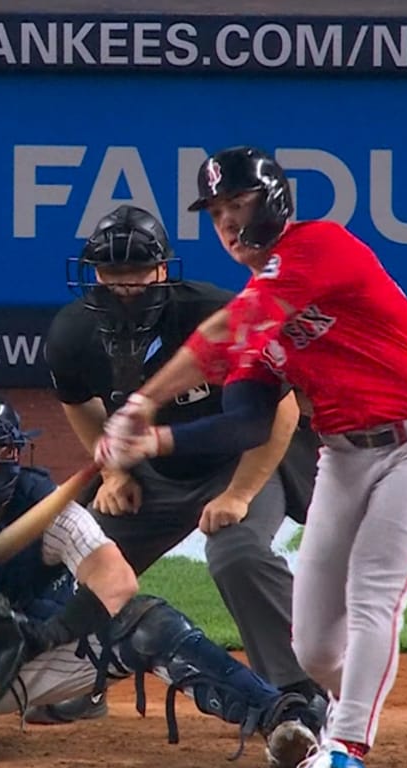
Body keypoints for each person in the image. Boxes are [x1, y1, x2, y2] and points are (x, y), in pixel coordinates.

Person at [97, 146, 407, 768]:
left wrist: (142, 402)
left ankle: (347, 762)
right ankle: (343, 722)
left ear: (271, 200)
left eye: (236, 205)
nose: (227, 224)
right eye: (215, 214)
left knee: (374, 593)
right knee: (317, 646)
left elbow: (226, 329)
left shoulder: (318, 247)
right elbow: (243, 419)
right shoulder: (263, 310)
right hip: (343, 460)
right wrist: (156, 438)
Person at [0, 383, 321, 768]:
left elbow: (117, 580)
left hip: (50, 649)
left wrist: (43, 635)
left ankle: (278, 716)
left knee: (150, 625)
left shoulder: (50, 510)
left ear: (15, 453)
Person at [36, 203, 323, 726]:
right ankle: (84, 677)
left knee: (236, 554)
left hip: (237, 462)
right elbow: (79, 404)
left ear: (163, 270)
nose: (123, 286)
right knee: (80, 552)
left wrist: (239, 494)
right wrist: (116, 472)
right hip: (153, 474)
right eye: (111, 274)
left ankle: (297, 691)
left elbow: (280, 408)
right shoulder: (73, 333)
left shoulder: (211, 314)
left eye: (136, 273)